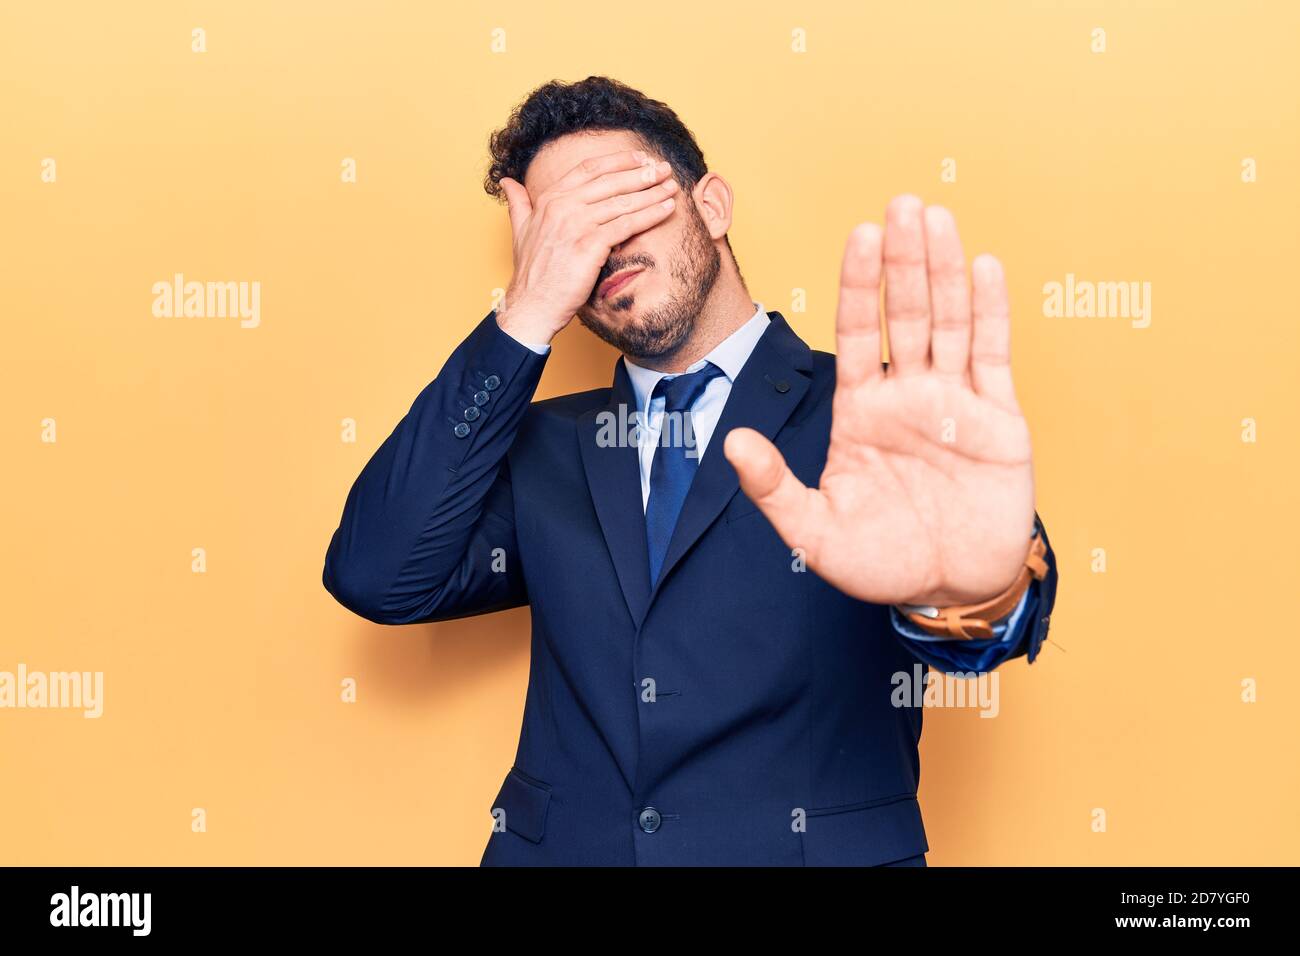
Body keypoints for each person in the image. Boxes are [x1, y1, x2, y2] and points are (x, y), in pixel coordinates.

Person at [323, 76, 1058, 866]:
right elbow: (379, 575)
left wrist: (970, 594)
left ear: (710, 206)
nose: (598, 244)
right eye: (563, 232)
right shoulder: (541, 446)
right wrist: (523, 314)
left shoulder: (875, 412)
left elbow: (986, 631)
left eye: (617, 203)